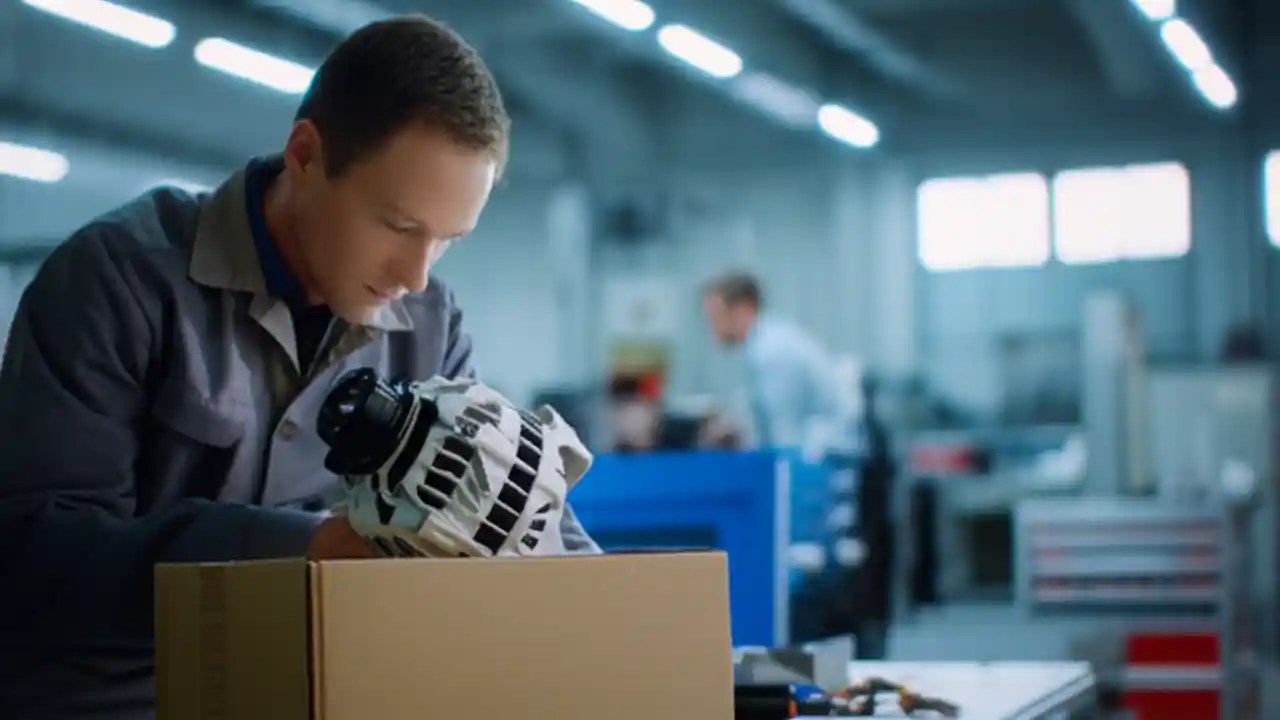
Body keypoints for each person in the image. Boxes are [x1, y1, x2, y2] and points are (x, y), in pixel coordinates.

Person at [0, 15, 597, 718]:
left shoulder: (429, 326)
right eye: (399, 227)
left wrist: (608, 604)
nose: (414, 273)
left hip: (302, 693)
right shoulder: (117, 281)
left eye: (447, 241)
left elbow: (512, 517)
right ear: (306, 155)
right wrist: (306, 551)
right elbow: (36, 557)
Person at [701, 272, 849, 456]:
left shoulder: (772, 353)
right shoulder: (766, 344)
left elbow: (785, 436)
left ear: (743, 309)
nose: (711, 326)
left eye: (716, 315)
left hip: (823, 463)